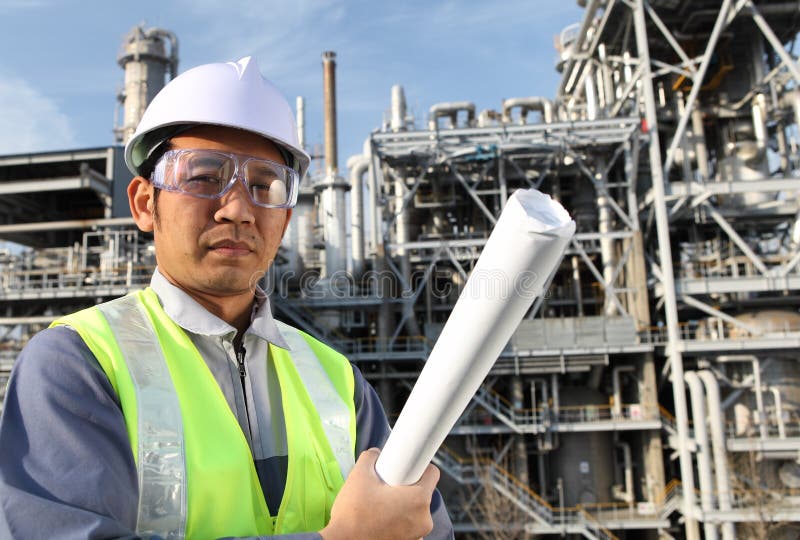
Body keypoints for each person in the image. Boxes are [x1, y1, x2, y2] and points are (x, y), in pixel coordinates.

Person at [0, 56, 453, 540]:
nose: (238, 209)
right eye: (203, 177)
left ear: (286, 218)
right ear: (143, 203)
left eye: (264, 185)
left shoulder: (337, 379)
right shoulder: (78, 364)